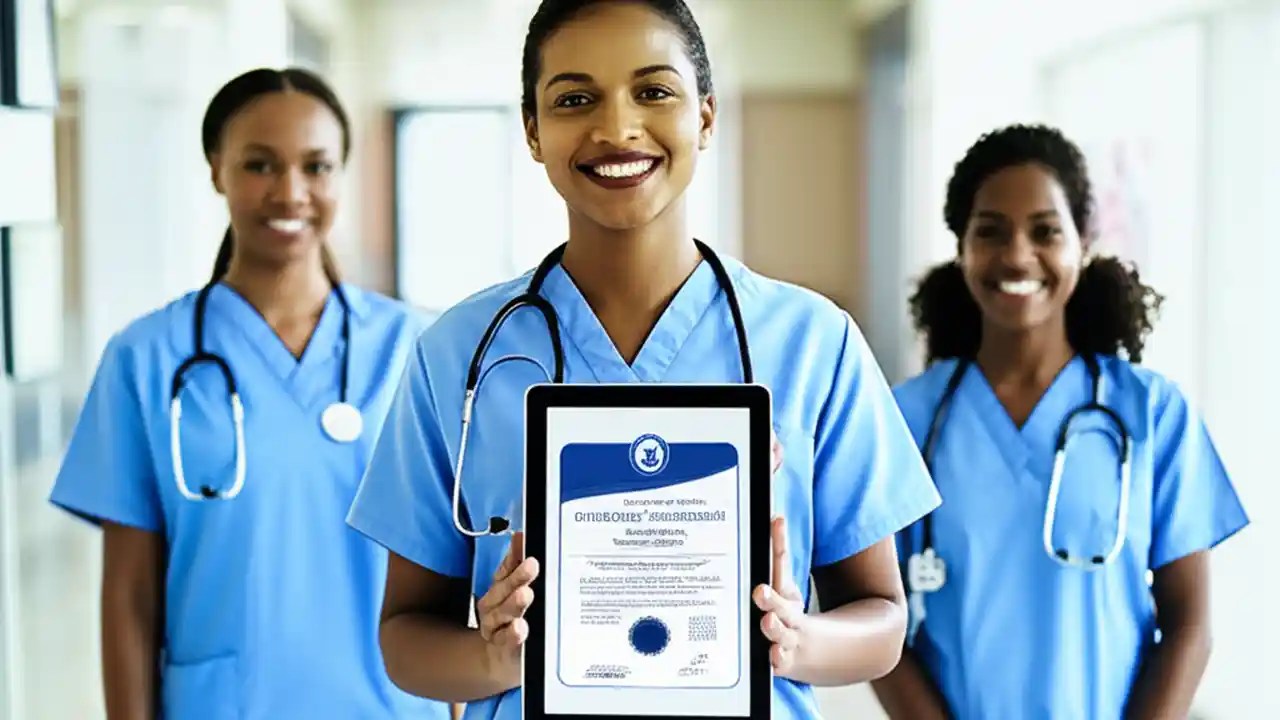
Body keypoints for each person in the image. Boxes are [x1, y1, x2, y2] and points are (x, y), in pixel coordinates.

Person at [344, 1, 941, 718]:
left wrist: (795, 637)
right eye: (574, 99)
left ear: (707, 116)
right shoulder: (461, 352)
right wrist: (490, 655)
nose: (617, 127)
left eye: (654, 91)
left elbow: (881, 619)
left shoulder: (815, 341)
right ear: (533, 129)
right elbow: (405, 637)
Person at [48, 68, 451, 719]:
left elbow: (451, 566)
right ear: (217, 171)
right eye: (260, 165)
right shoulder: (145, 357)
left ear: (341, 174)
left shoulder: (418, 349)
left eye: (316, 166)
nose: (290, 192)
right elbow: (129, 596)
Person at [870, 124, 1250, 719]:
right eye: (990, 232)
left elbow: (1189, 623)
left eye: (1045, 231)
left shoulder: (1152, 412)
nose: (1018, 255)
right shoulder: (906, 419)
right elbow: (876, 619)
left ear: (1082, 242)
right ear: (961, 246)